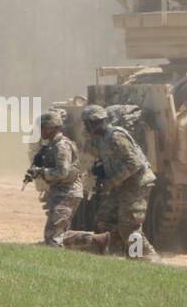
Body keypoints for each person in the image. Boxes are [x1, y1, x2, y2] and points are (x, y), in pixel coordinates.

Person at [64, 105, 160, 261]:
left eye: (88, 123)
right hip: (121, 184)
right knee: (104, 218)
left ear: (94, 123)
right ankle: (115, 253)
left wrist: (111, 182)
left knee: (129, 226)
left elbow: (134, 163)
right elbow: (95, 153)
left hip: (136, 184)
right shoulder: (99, 139)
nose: (86, 127)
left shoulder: (116, 136)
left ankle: (144, 256)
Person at [26, 110, 85, 248]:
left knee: (53, 238)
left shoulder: (61, 146)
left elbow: (62, 172)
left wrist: (41, 172)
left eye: (43, 127)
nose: (40, 131)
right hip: (61, 191)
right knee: (56, 233)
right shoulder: (53, 144)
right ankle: (93, 240)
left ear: (53, 128)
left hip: (67, 193)